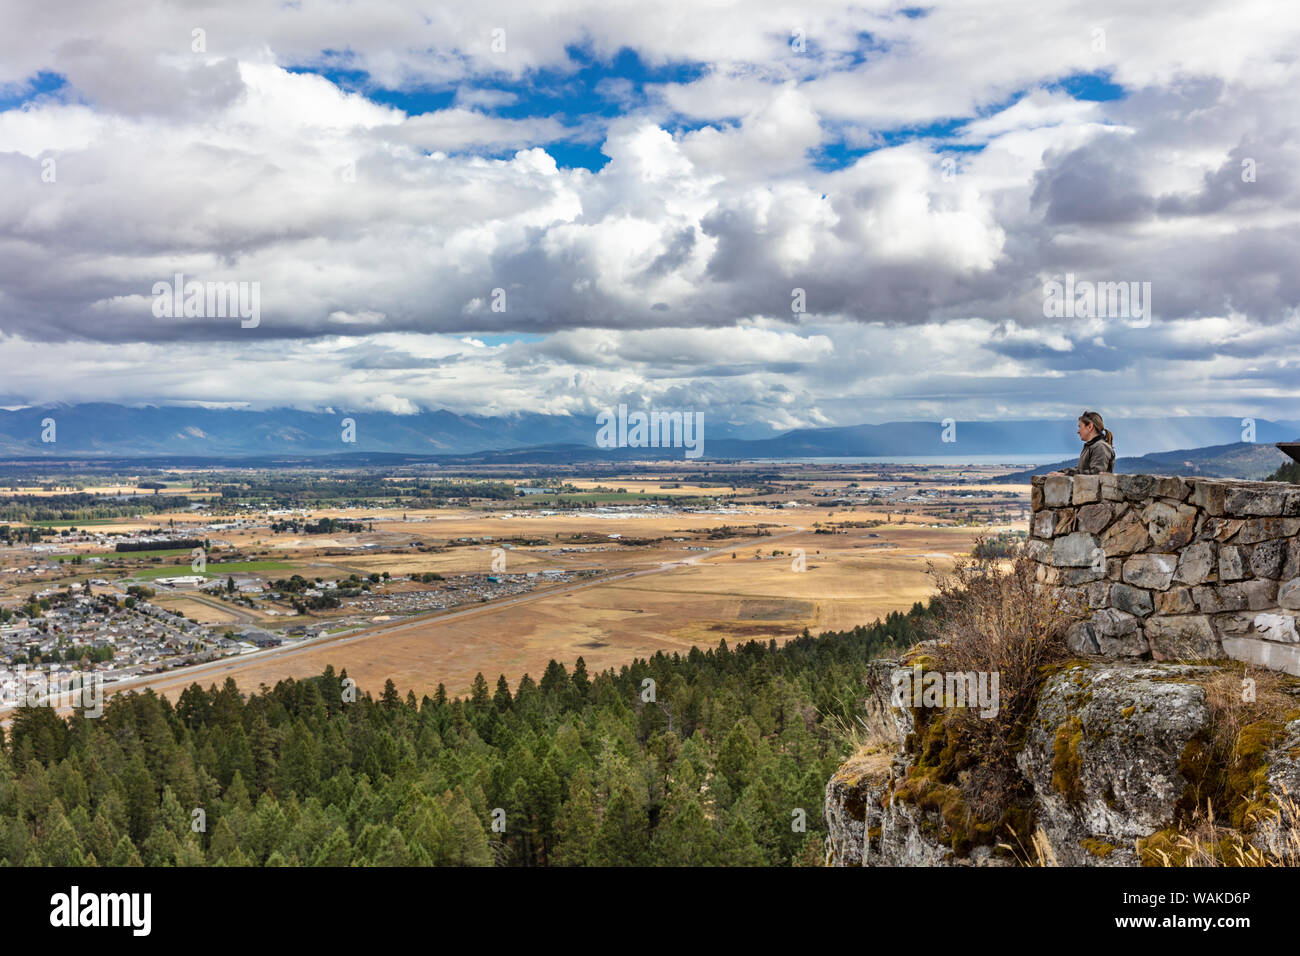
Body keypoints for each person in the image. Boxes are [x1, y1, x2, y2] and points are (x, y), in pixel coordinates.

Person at [1058, 410, 1114, 475]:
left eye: (1080, 426)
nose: (1078, 431)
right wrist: (1062, 472)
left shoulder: (1100, 447)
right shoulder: (1091, 446)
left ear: (1090, 426)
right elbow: (1081, 470)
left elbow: (1096, 473)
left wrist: (1066, 474)